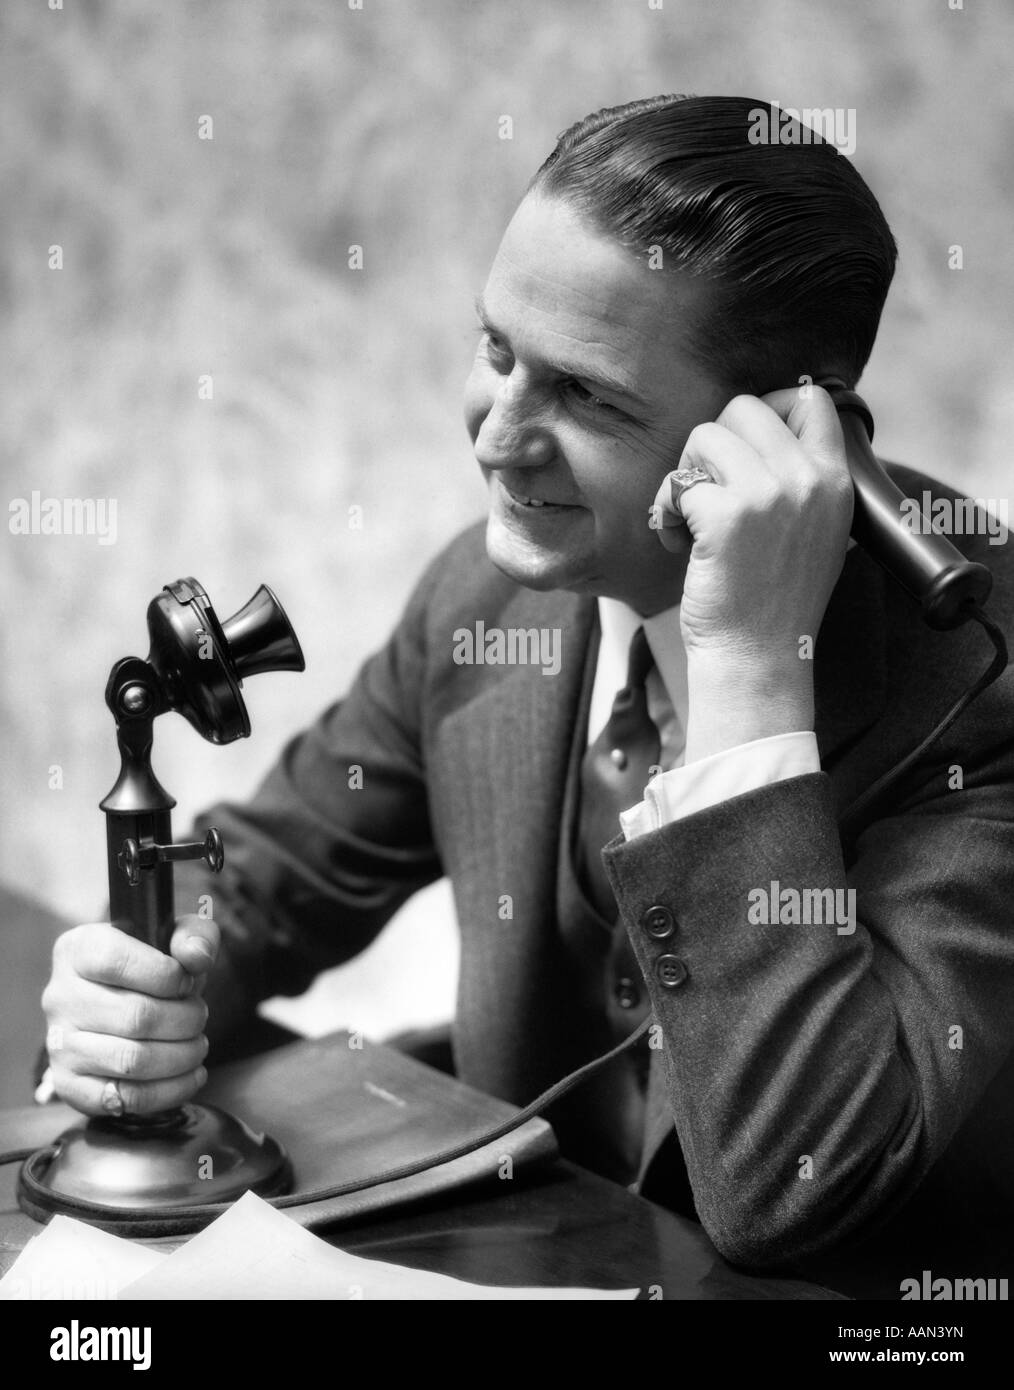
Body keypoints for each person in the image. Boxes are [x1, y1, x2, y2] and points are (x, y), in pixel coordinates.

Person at [39, 95, 1014, 1296]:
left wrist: (752, 671)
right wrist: (140, 988)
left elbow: (798, 1186)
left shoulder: (982, 692)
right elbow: (266, 883)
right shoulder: (484, 601)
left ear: (779, 439)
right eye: (498, 352)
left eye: (590, 398)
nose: (500, 440)